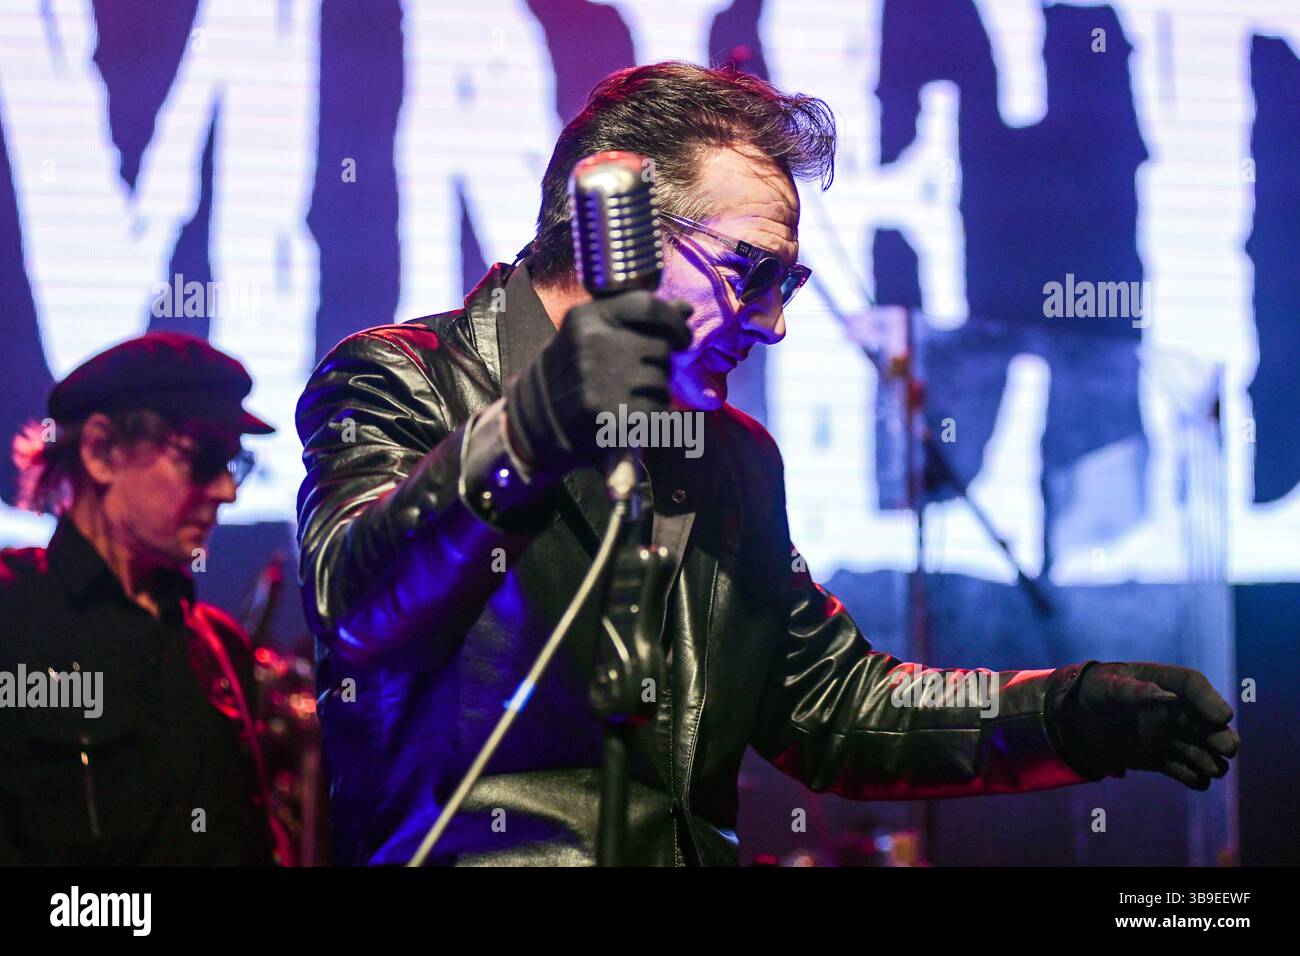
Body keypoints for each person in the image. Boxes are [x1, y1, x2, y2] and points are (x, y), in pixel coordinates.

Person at [294, 61, 1240, 867]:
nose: (775, 322)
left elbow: (831, 707)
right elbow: (355, 601)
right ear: (609, 220)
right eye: (750, 272)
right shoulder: (407, 376)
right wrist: (537, 423)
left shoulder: (731, 460)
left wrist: (1065, 716)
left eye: (787, 284)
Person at [0, 332, 284, 865]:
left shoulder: (220, 647)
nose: (228, 490)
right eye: (203, 458)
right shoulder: (12, 619)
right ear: (101, 451)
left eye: (235, 463)